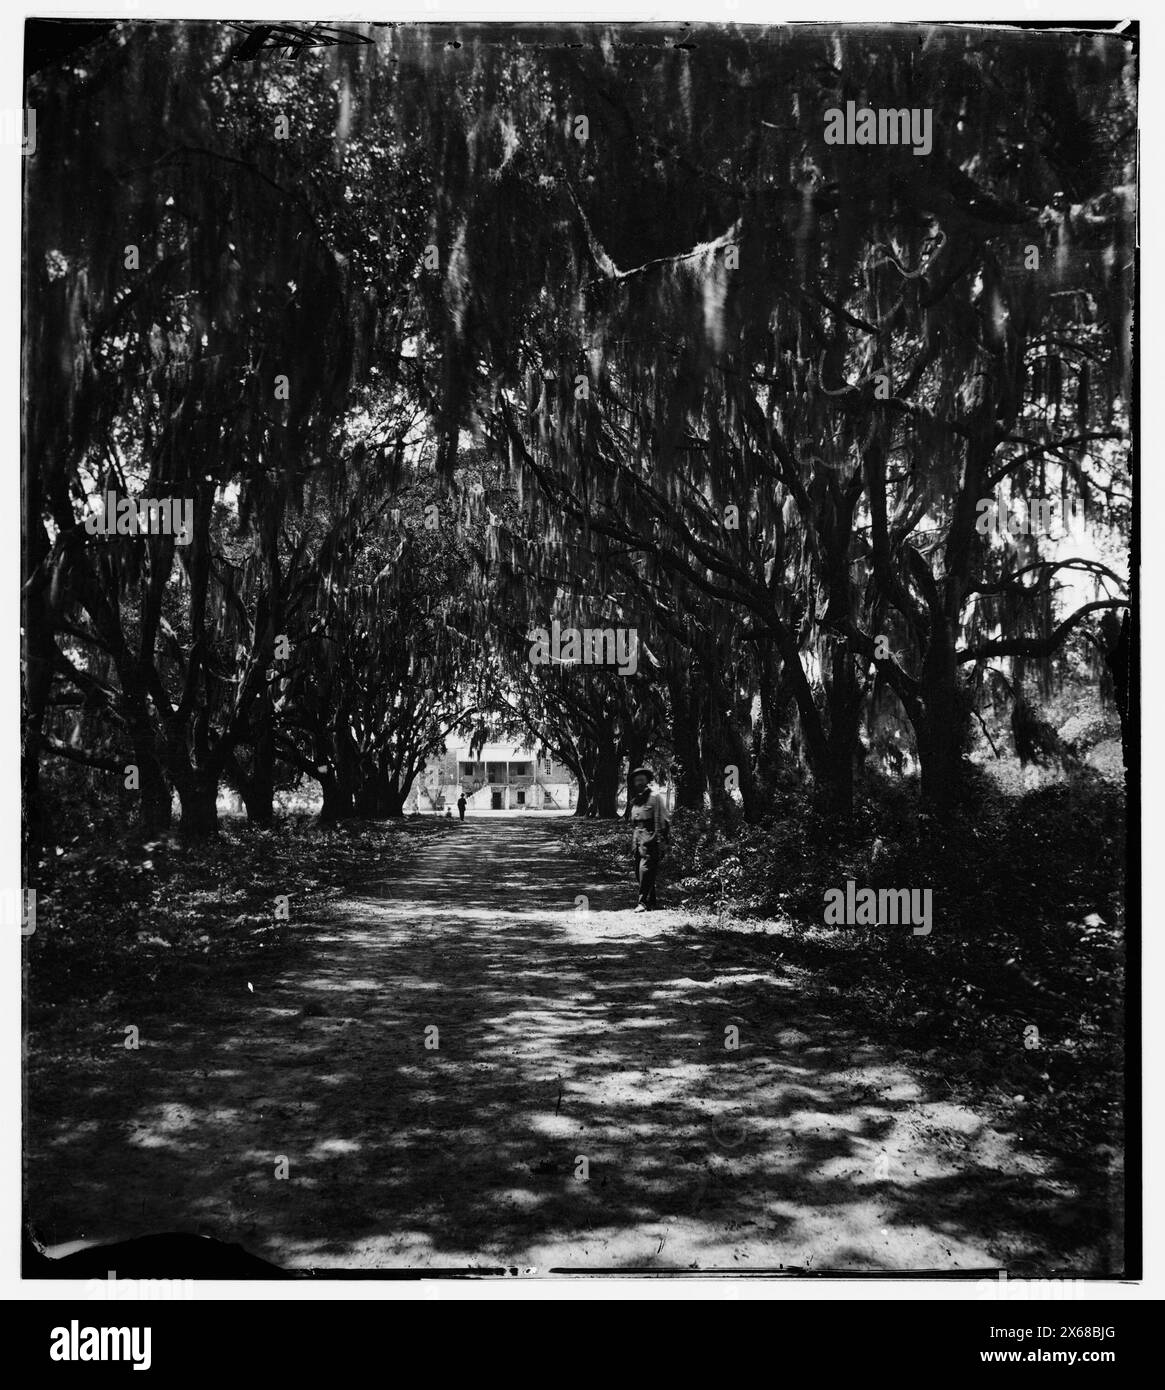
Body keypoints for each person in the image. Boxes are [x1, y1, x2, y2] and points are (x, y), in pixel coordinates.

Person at [628, 766, 669, 912]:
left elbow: (663, 819)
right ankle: (652, 901)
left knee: (645, 870)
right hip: (637, 837)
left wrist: (662, 839)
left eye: (641, 779)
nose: (639, 782)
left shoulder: (655, 797)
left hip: (651, 836)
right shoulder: (636, 800)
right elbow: (633, 822)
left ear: (647, 781)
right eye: (636, 780)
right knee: (638, 871)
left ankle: (642, 903)